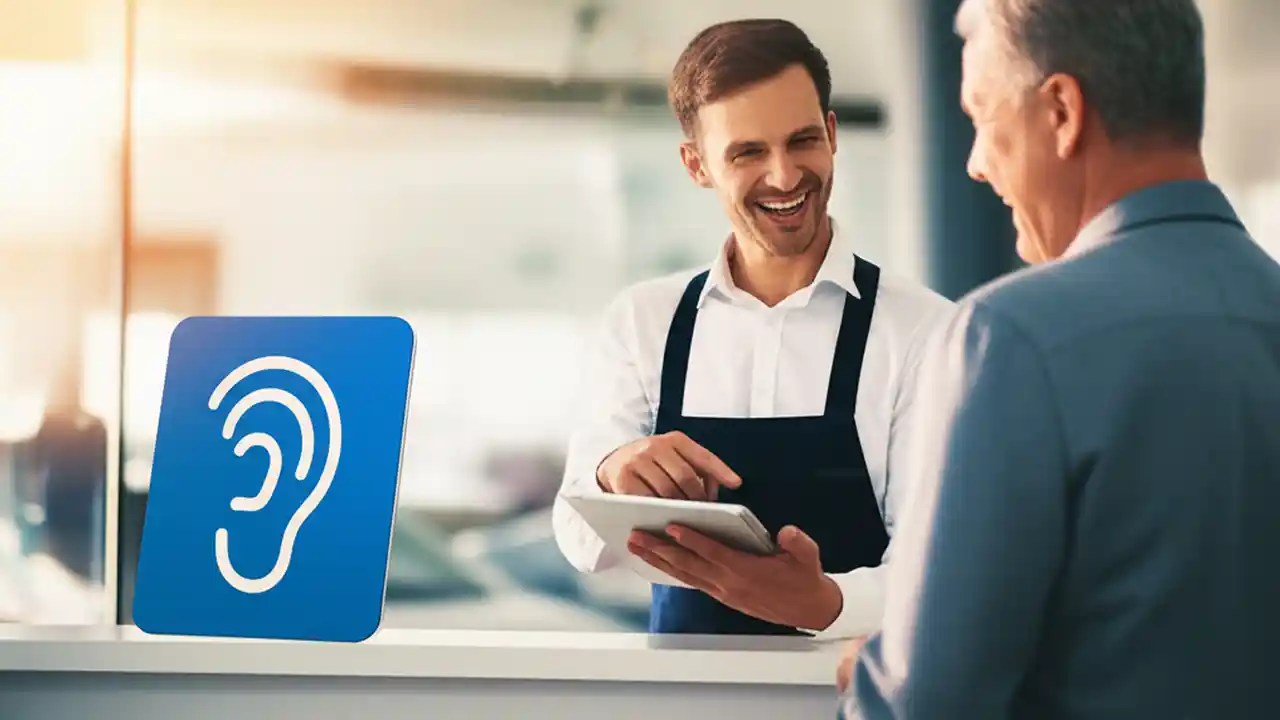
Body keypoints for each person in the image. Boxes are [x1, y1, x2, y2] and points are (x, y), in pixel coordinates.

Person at [841, 0, 1280, 717]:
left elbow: (928, 708)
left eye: (981, 118)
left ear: (1062, 112)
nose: (976, 165)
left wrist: (879, 679)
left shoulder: (1007, 340)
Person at [551, 18, 952, 639]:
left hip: (854, 699)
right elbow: (580, 540)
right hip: (682, 702)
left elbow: (943, 568)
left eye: (803, 141)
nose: (786, 176)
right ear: (697, 164)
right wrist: (613, 473)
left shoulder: (926, 332)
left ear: (834, 134)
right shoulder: (642, 322)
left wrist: (823, 603)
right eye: (748, 153)